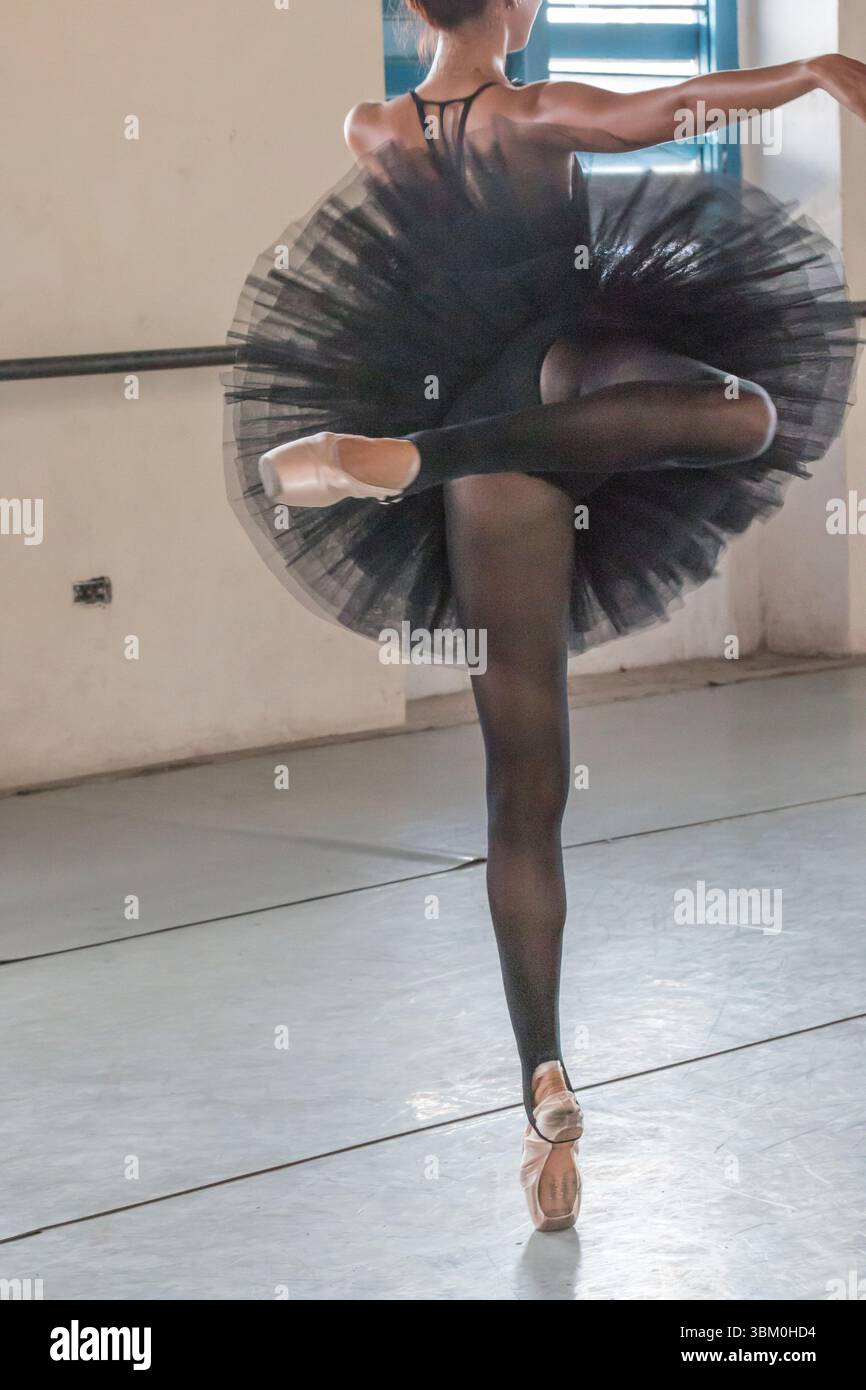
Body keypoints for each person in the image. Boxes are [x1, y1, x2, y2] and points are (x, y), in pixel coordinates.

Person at [225, 0, 865, 1231]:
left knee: (523, 788)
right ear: (513, 4)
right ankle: (413, 454)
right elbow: (662, 112)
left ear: (413, 8)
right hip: (572, 378)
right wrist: (816, 66)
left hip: (487, 467)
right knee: (741, 415)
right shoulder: (533, 114)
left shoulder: (374, 129)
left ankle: (542, 1091)